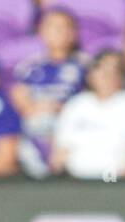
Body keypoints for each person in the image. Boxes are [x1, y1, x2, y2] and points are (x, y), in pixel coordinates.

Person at [51, 50, 125, 180]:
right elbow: (61, 152)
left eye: (113, 70)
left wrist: (122, 182)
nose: (106, 75)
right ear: (91, 75)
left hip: (117, 182)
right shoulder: (77, 104)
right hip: (77, 182)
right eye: (101, 69)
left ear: (122, 76)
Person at [10, 7, 88, 141]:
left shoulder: (86, 65)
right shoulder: (29, 67)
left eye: (64, 27)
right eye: (53, 26)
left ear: (74, 33)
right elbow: (19, 97)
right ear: (42, 32)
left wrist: (60, 108)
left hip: (72, 126)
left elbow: (92, 101)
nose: (59, 31)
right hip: (36, 124)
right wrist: (34, 108)